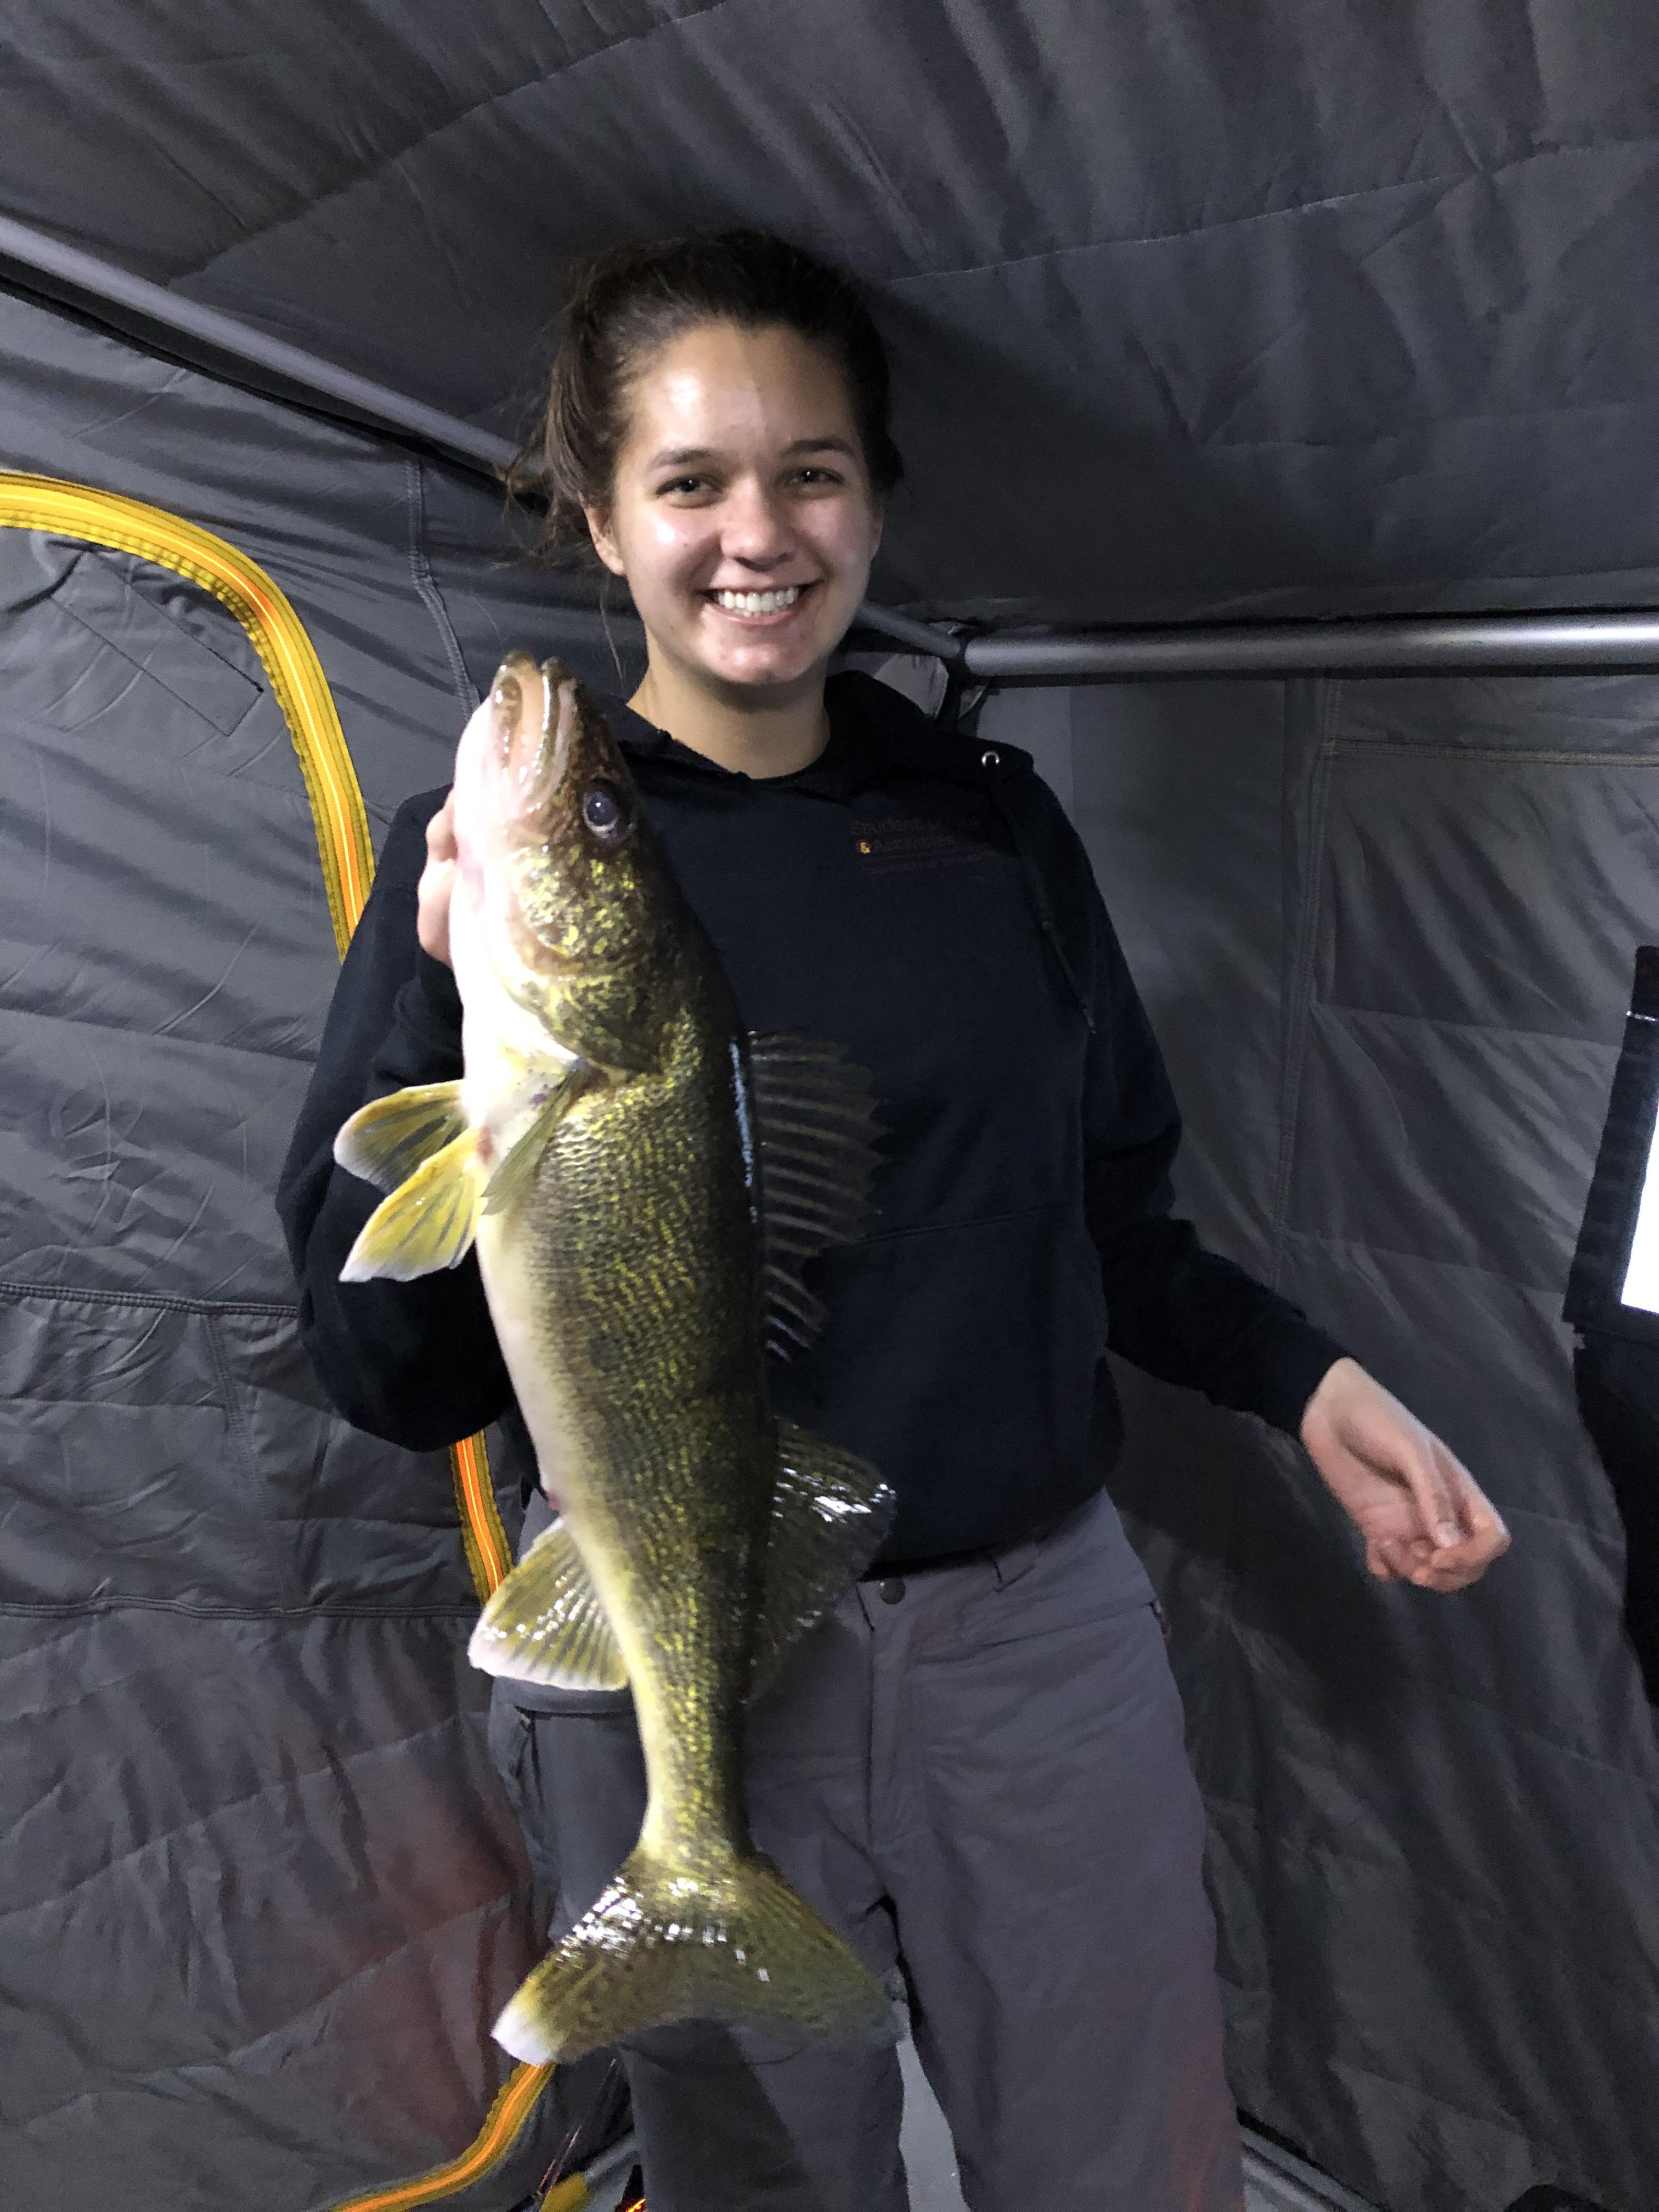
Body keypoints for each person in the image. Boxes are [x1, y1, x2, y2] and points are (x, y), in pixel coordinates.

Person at [277, 231, 1510, 2212]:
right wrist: (441, 1009)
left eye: (813, 472)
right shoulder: (497, 894)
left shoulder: (998, 822)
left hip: (1038, 1641)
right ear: (602, 521)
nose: (757, 534)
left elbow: (1113, 1219)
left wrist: (1313, 1380)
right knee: (766, 2182)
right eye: (690, 483)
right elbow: (381, 1370)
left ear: (875, 503)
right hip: (690, 1649)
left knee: (1130, 2169)